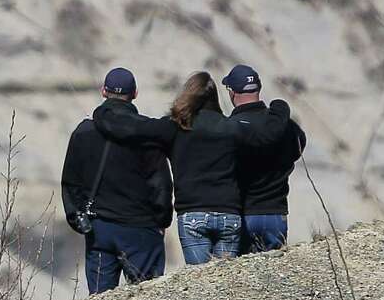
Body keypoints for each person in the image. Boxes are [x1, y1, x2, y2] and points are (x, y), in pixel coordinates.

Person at [94, 71, 291, 266]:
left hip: (193, 214)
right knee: (226, 279)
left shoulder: (175, 127)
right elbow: (269, 134)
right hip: (228, 214)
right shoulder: (230, 127)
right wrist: (280, 108)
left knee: (200, 280)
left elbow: (135, 128)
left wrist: (103, 114)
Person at [61, 67, 178, 294]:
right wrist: (162, 221)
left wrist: (77, 218)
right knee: (146, 298)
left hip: (99, 230)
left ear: (104, 91)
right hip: (141, 230)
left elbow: (71, 183)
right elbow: (160, 185)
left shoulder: (83, 133)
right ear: (135, 94)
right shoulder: (147, 133)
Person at [221, 64, 307, 254]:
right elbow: (298, 147)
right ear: (258, 89)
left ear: (232, 92)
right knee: (273, 270)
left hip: (242, 212)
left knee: (243, 271)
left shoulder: (230, 127)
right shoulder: (284, 125)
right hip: (276, 211)